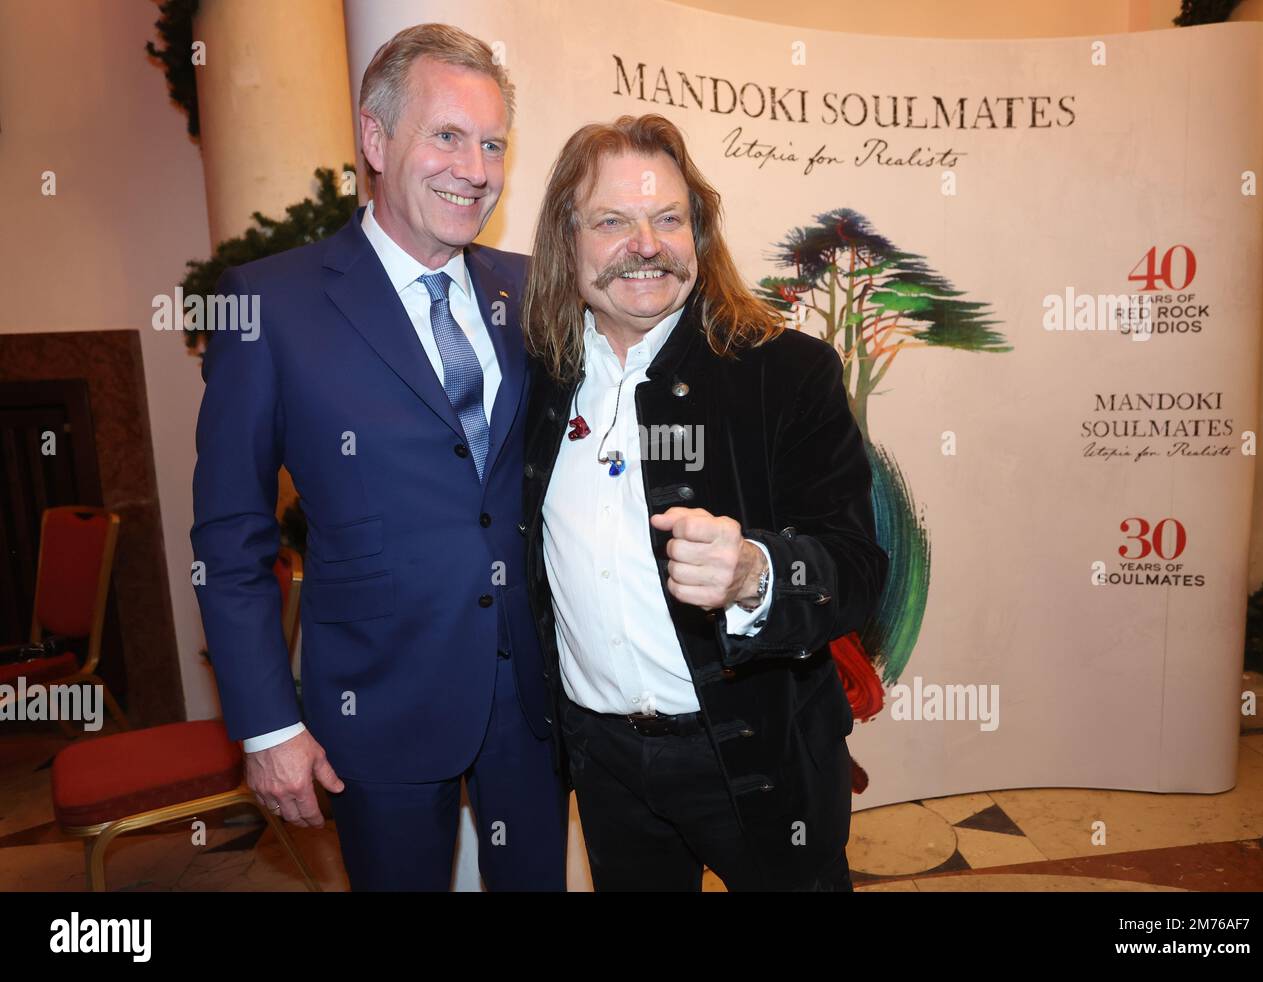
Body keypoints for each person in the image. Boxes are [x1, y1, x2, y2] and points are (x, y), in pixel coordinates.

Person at [190, 23, 566, 891]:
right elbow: (230, 536)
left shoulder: (529, 287)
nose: (475, 169)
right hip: (376, 705)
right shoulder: (270, 305)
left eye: (493, 144)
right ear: (373, 138)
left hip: (533, 702)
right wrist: (265, 727)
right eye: (446, 135)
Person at [520, 113, 889, 891]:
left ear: (700, 234)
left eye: (668, 220)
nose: (646, 245)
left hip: (755, 757)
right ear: (567, 240)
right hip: (604, 762)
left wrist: (760, 572)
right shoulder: (538, 379)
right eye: (612, 221)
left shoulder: (785, 374)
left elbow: (856, 570)